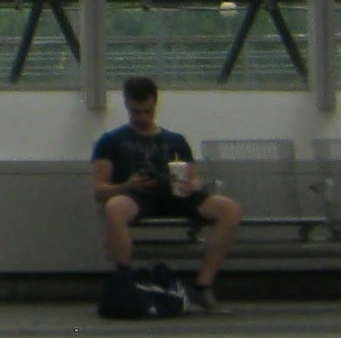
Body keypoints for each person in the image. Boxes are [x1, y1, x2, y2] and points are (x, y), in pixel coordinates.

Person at [92, 75, 240, 309]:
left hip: (176, 194)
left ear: (155, 105)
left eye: (147, 112)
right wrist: (126, 185)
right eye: (136, 112)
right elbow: (100, 189)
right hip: (137, 195)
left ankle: (203, 285)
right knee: (114, 207)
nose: (142, 118)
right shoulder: (111, 141)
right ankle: (123, 278)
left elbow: (193, 179)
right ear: (127, 106)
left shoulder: (176, 141)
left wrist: (192, 186)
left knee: (228, 209)